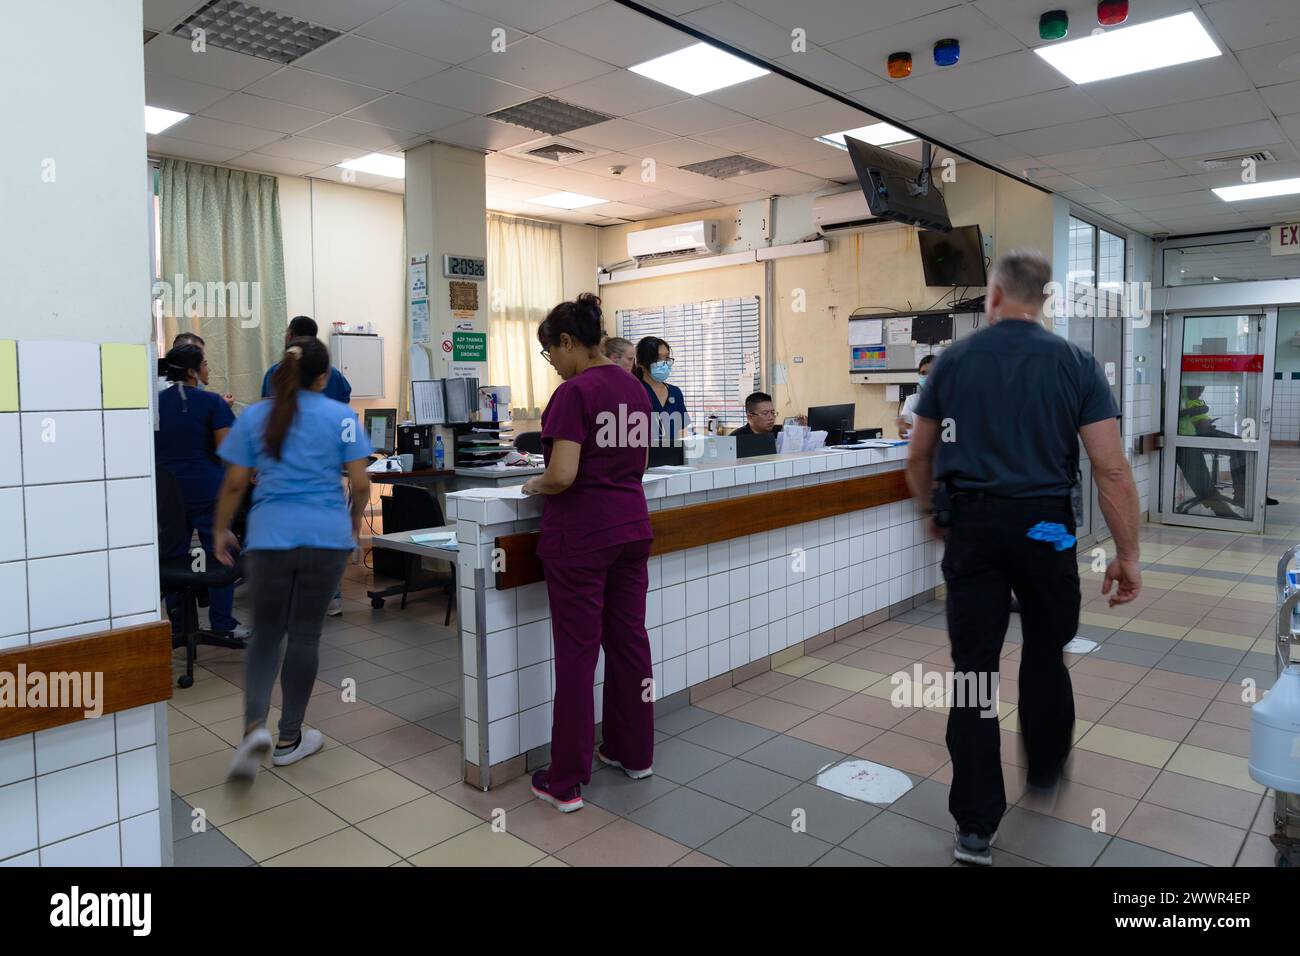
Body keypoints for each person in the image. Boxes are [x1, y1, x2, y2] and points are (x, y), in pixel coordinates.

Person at [905, 250, 1141, 866]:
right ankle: (1043, 768)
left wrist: (934, 508)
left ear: (993, 296)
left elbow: (917, 455)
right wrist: (1128, 554)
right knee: (1045, 650)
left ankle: (977, 827)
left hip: (974, 528)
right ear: (1045, 301)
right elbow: (1110, 468)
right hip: (1048, 526)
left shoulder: (954, 361)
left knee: (975, 670)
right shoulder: (1076, 362)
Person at [215, 337, 371, 780]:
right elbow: (360, 485)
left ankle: (251, 731)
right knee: (304, 636)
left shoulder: (255, 416)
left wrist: (220, 529)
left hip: (268, 538)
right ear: (323, 378)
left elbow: (233, 484)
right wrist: (354, 527)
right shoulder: (341, 416)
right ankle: (289, 738)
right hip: (324, 538)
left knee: (266, 636)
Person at [522, 293, 655, 812]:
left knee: (577, 658)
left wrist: (536, 485)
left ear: (567, 342)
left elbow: (561, 474)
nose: (552, 364)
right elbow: (636, 465)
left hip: (581, 538)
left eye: (550, 353)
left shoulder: (573, 394)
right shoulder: (636, 389)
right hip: (631, 528)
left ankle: (566, 780)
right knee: (629, 643)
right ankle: (633, 752)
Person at [155, 344, 247, 640]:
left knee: (173, 558)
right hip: (208, 492)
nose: (208, 370)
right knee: (222, 552)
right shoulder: (212, 403)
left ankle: (180, 627)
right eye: (205, 365)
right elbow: (226, 449)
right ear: (193, 371)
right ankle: (222, 624)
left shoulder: (155, 403)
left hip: (167, 495)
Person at [261, 316, 352, 404]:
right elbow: (344, 399)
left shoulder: (275, 373)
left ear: (290, 336)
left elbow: (267, 405)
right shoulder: (333, 374)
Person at [633, 336, 689, 445]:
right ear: (641, 364)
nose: (664, 364)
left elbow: (682, 432)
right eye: (658, 359)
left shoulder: (675, 392)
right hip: (646, 458)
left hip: (673, 457)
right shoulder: (635, 392)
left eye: (667, 358)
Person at [895, 355, 935, 439]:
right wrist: (901, 427)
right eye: (923, 373)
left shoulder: (951, 400)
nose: (927, 376)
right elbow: (904, 435)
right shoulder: (912, 400)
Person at [730, 391, 805, 436]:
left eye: (772, 412)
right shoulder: (735, 438)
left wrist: (802, 429)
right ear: (750, 417)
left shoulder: (780, 432)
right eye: (765, 413)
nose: (771, 417)